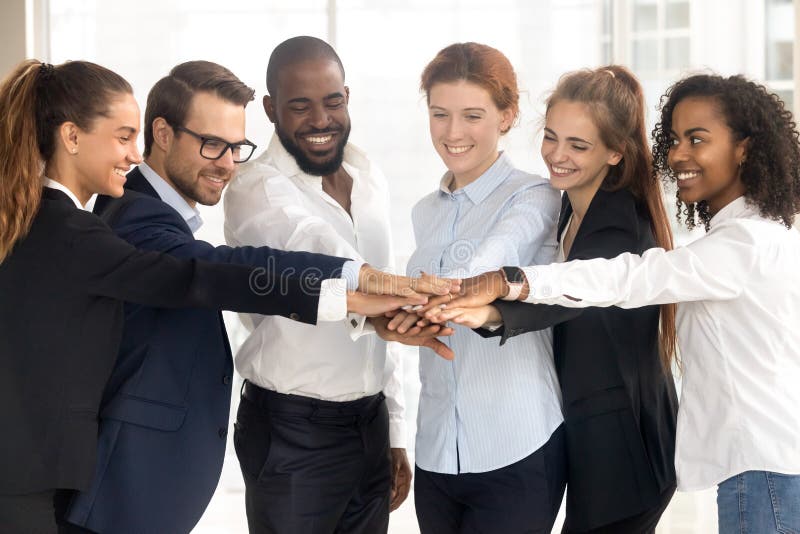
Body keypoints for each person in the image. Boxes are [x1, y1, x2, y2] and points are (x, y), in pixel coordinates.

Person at [0, 59, 444, 534]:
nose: (228, 163)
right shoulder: (121, 220)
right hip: (112, 490)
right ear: (164, 134)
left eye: (237, 147)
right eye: (213, 144)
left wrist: (358, 294)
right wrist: (352, 285)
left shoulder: (68, 220)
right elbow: (210, 271)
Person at [439, 73, 800, 533]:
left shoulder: (744, 243)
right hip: (764, 461)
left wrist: (506, 285)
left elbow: (630, 275)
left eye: (697, 139)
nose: (678, 154)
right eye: (675, 139)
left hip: (761, 464)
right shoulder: (756, 235)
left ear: (745, 148)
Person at [427, 65, 679, 533]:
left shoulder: (620, 221)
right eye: (551, 137)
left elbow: (571, 291)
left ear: (614, 154)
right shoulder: (567, 206)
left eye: (578, 145)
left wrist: (491, 309)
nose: (556, 156)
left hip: (624, 455)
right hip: (593, 443)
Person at [223, 36, 414, 534]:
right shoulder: (255, 187)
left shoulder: (369, 179)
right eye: (299, 106)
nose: (321, 120)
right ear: (270, 109)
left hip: (368, 424)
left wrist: (395, 430)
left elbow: (382, 340)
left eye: (332, 101)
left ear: (347, 97)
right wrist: (399, 294)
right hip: (293, 433)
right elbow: (316, 250)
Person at [379, 42, 566, 534]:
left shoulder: (537, 195)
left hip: (516, 446)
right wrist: (395, 319)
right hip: (439, 453)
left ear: (507, 116)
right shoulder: (426, 212)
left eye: (472, 115)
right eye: (440, 114)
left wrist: (434, 294)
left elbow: (498, 255)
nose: (453, 133)